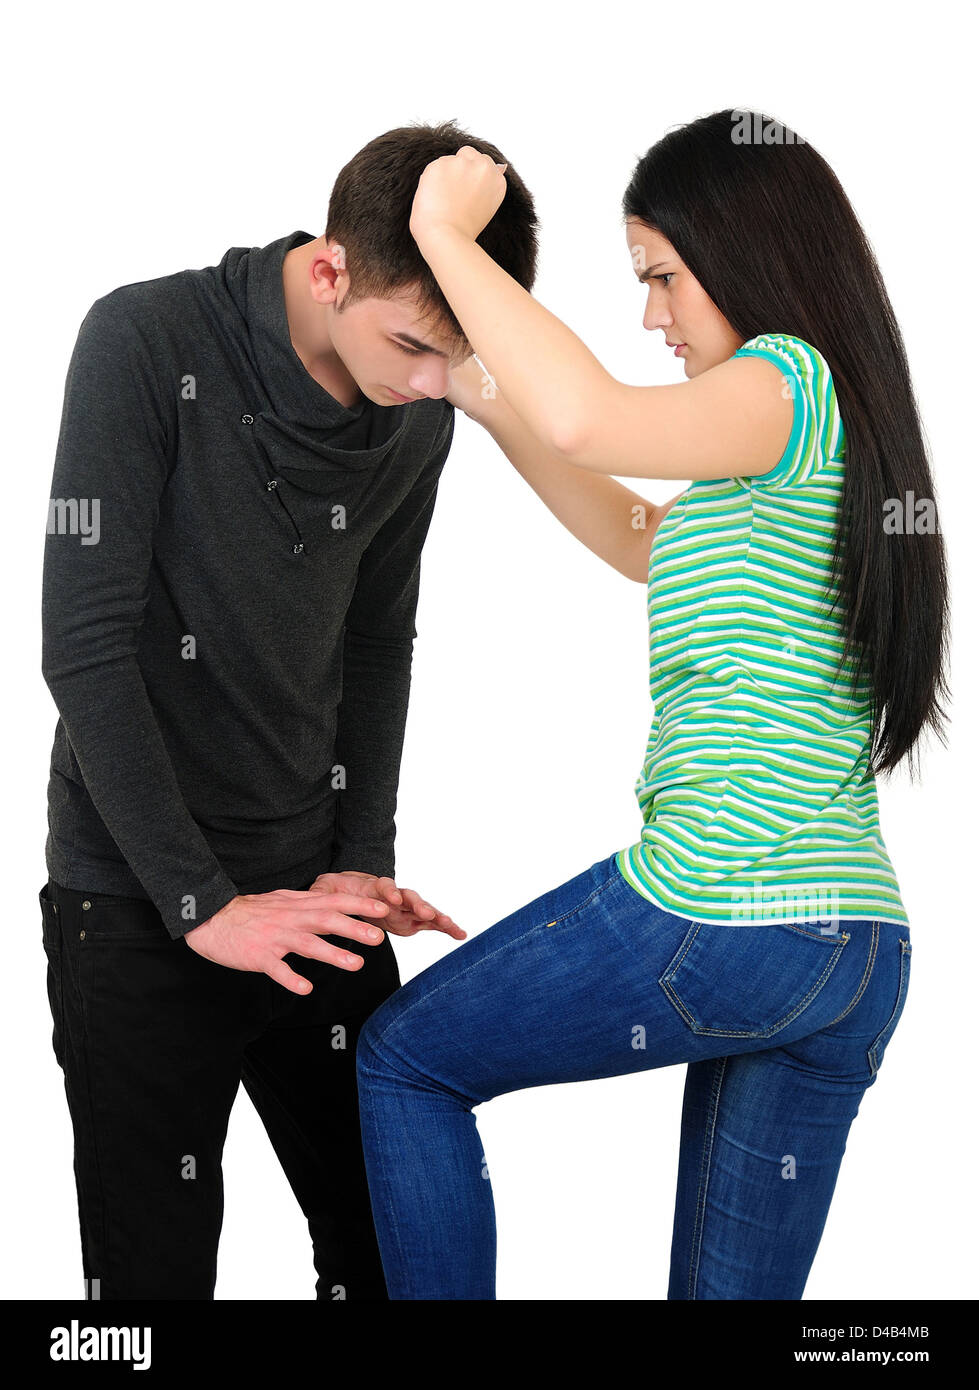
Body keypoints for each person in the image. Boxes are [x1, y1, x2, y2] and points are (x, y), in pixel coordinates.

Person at [354, 109, 950, 1300]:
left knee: (404, 1059)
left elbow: (586, 410)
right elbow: (636, 532)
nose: (652, 316)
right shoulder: (798, 442)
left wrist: (441, 235)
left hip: (724, 909)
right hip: (845, 954)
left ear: (751, 253)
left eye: (662, 277)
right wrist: (468, 386)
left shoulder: (785, 377)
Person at [38, 120, 539, 1300]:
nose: (428, 386)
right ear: (329, 271)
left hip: (312, 895)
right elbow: (84, 648)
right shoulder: (142, 339)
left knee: (391, 1255)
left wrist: (362, 863)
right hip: (138, 900)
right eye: (413, 344)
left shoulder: (418, 415)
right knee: (147, 1298)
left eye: (450, 362)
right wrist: (202, 905)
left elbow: (377, 640)